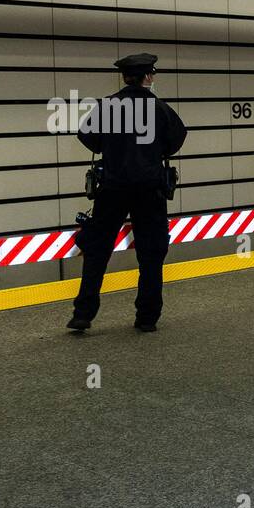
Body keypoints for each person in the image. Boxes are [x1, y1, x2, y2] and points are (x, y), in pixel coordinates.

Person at [68, 53, 187, 333]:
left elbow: (88, 138)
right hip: (150, 189)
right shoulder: (160, 108)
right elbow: (176, 140)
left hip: (112, 187)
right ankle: (147, 316)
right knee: (151, 253)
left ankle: (83, 314)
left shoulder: (107, 106)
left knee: (98, 250)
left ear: (124, 77)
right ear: (148, 77)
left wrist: (114, 149)